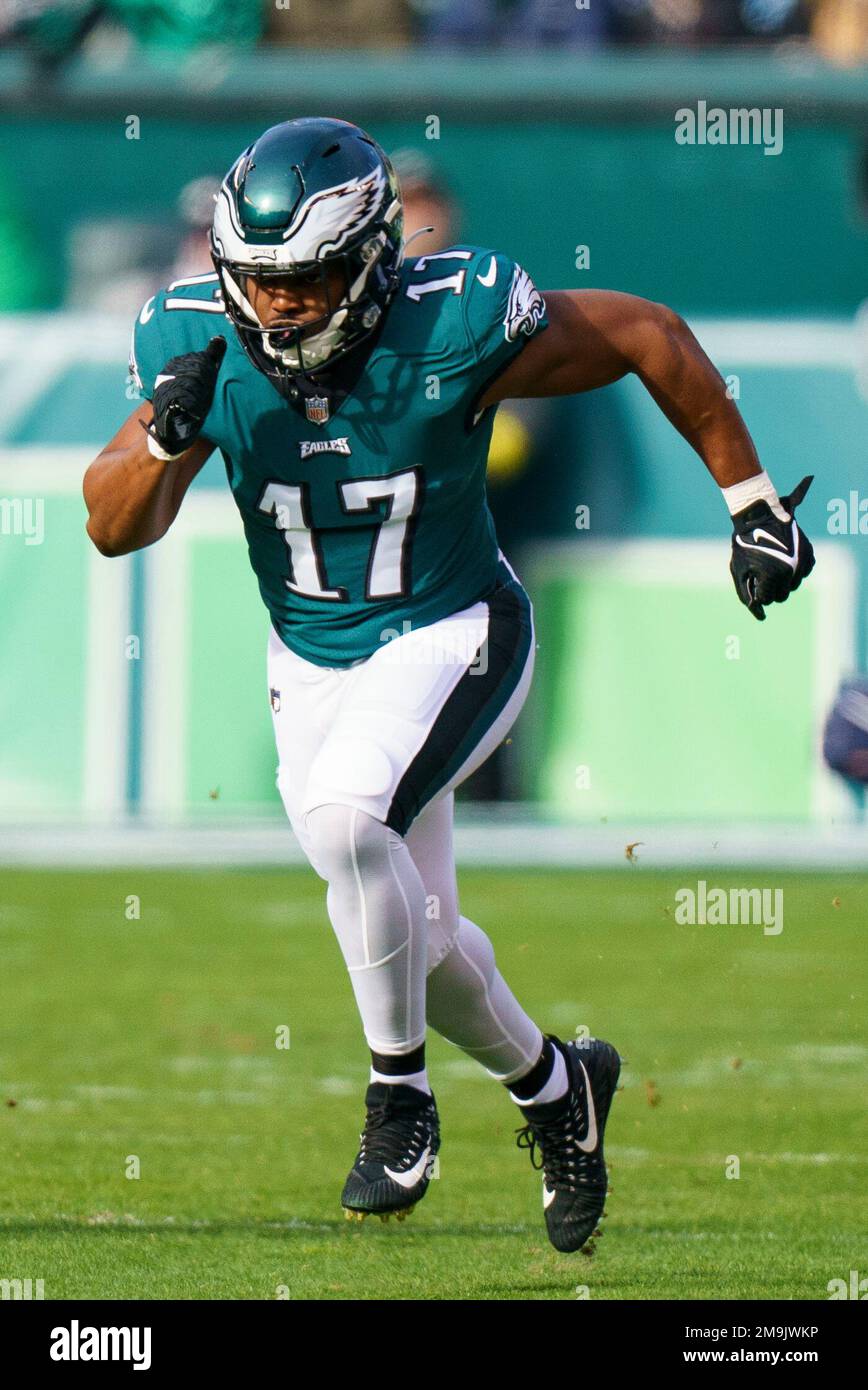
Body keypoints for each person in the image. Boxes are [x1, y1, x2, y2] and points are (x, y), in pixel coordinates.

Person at [83, 118, 815, 1255]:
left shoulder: (454, 318)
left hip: (455, 629)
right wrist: (165, 440)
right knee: (416, 937)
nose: (278, 308)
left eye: (308, 278)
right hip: (310, 660)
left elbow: (648, 333)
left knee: (345, 822)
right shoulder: (198, 341)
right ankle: (555, 1084)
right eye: (258, 281)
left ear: (374, 258)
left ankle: (399, 1100)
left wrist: (752, 501)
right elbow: (110, 525)